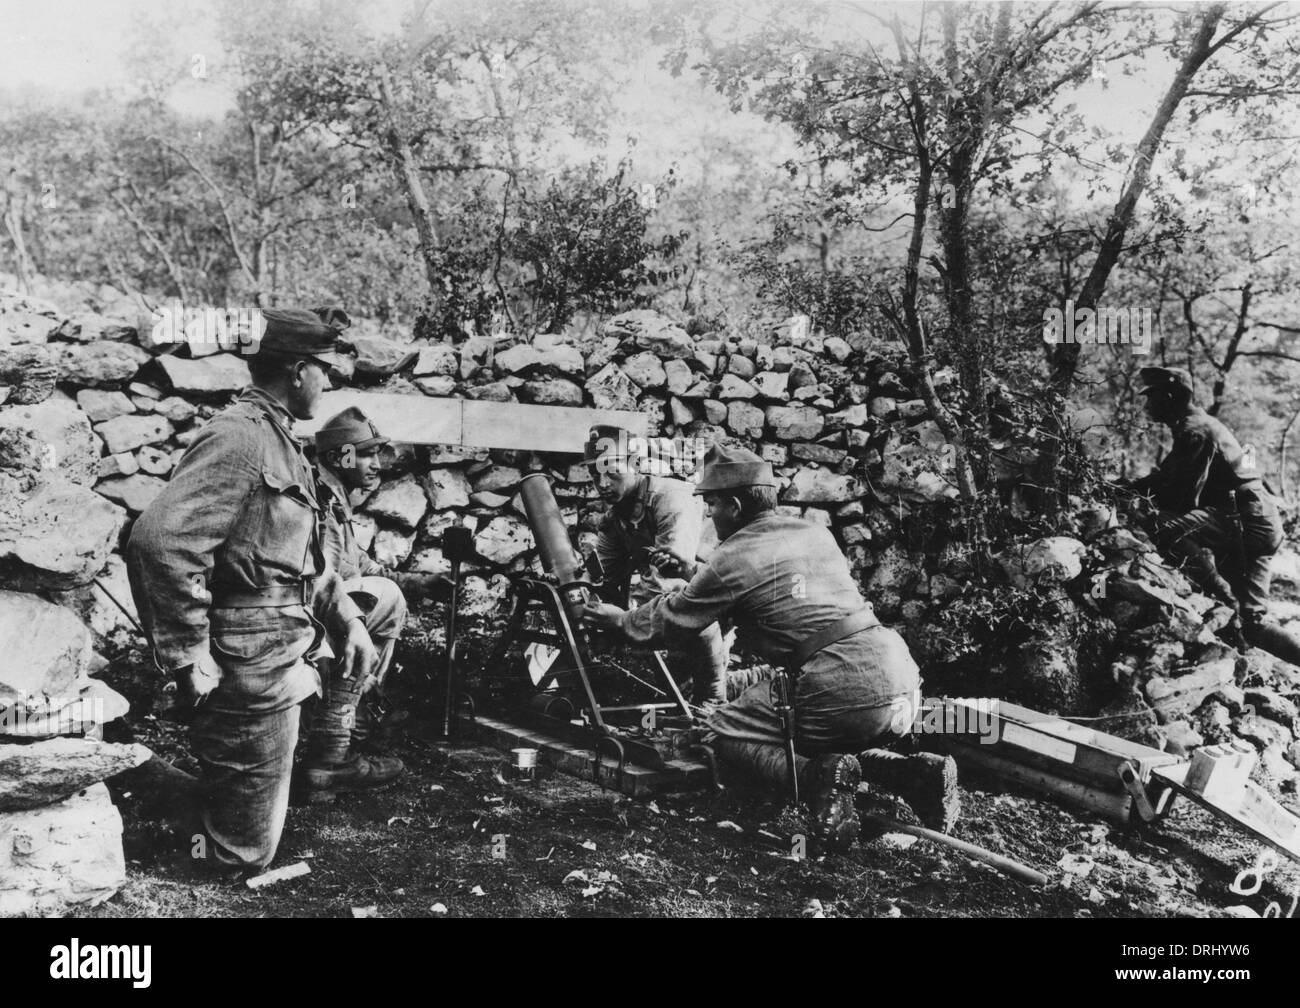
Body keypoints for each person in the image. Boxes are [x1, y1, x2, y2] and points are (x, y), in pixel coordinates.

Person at [582, 444, 959, 850]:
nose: (708, 514)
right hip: (899, 679)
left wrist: (618, 620)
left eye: (712, 505)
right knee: (825, 731)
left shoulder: (732, 556)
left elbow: (674, 618)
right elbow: (769, 580)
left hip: (837, 685)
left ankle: (817, 782)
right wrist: (695, 571)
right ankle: (912, 775)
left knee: (718, 730)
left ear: (737, 505)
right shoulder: (812, 532)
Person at [125, 307, 378, 879]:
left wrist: (348, 620)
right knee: (238, 858)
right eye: (324, 370)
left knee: (250, 830)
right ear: (297, 371)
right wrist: (190, 654)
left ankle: (186, 792)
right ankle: (136, 781)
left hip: (281, 651)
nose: (330, 383)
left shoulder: (282, 441)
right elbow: (159, 542)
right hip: (246, 662)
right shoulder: (239, 436)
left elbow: (305, 564)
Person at [299, 405, 446, 802]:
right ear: (338, 457)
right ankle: (332, 753)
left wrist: (424, 582)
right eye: (365, 454)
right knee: (384, 599)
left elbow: (360, 566)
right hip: (306, 619)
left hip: (321, 618)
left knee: (386, 591)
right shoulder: (321, 504)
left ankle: (347, 732)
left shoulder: (335, 500)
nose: (376, 464)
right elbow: (320, 579)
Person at [1132, 366, 1300, 664]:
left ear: (1170, 397)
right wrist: (1131, 487)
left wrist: (1133, 500)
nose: (1147, 405)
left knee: (1163, 525)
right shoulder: (1198, 426)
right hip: (1258, 520)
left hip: (1244, 522)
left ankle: (1219, 594)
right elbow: (1166, 477)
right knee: (1253, 624)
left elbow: (1179, 497)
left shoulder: (1193, 430)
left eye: (1153, 397)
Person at [585, 424, 728, 707]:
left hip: (721, 589)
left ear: (636, 465)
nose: (602, 484)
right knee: (677, 684)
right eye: (594, 473)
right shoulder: (615, 518)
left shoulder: (671, 498)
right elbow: (602, 576)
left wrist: (625, 622)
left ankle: (716, 706)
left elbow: (670, 577)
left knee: (702, 682)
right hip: (684, 594)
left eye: (612, 471)